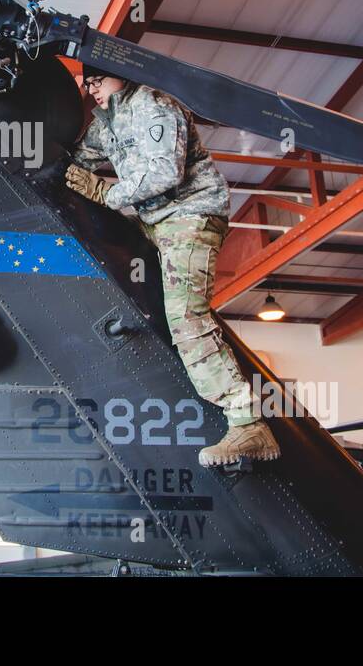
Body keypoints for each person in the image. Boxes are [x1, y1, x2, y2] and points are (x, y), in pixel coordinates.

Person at [65, 67, 281, 465]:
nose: (90, 88)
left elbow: (166, 170)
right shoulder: (107, 123)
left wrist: (105, 192)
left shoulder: (153, 104)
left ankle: (248, 423)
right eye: (87, 82)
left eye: (98, 79)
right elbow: (77, 161)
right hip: (156, 223)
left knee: (187, 318)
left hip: (190, 217)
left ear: (119, 74)